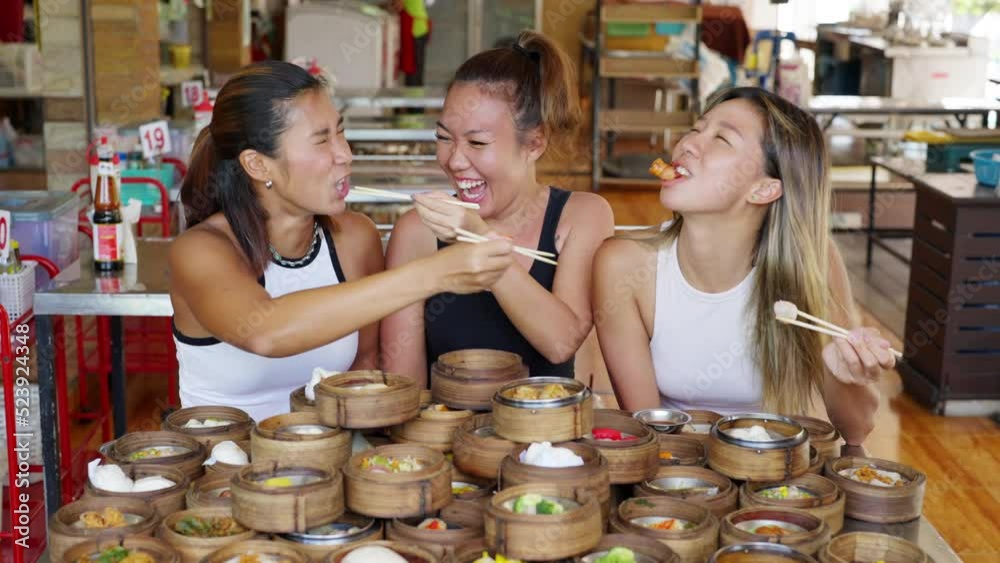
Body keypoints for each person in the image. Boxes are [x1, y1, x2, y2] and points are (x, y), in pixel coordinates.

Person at [170, 61, 513, 421]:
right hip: (223, 468)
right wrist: (435, 274)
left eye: (340, 133)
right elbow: (265, 332)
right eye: (321, 141)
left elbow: (363, 366)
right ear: (257, 165)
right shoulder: (199, 251)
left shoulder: (354, 237)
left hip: (326, 463)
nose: (345, 154)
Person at [593, 87, 894, 449]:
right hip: (675, 468)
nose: (687, 144)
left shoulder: (813, 261)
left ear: (765, 189)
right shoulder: (623, 265)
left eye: (721, 138)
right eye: (696, 128)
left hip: (775, 466)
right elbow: (649, 430)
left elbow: (856, 431)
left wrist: (846, 375)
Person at [380, 31, 615, 387]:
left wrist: (480, 238)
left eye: (477, 142)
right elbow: (403, 386)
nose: (455, 160)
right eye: (444, 138)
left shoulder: (582, 215)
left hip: (547, 438)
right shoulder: (418, 231)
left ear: (534, 143)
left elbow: (561, 341)